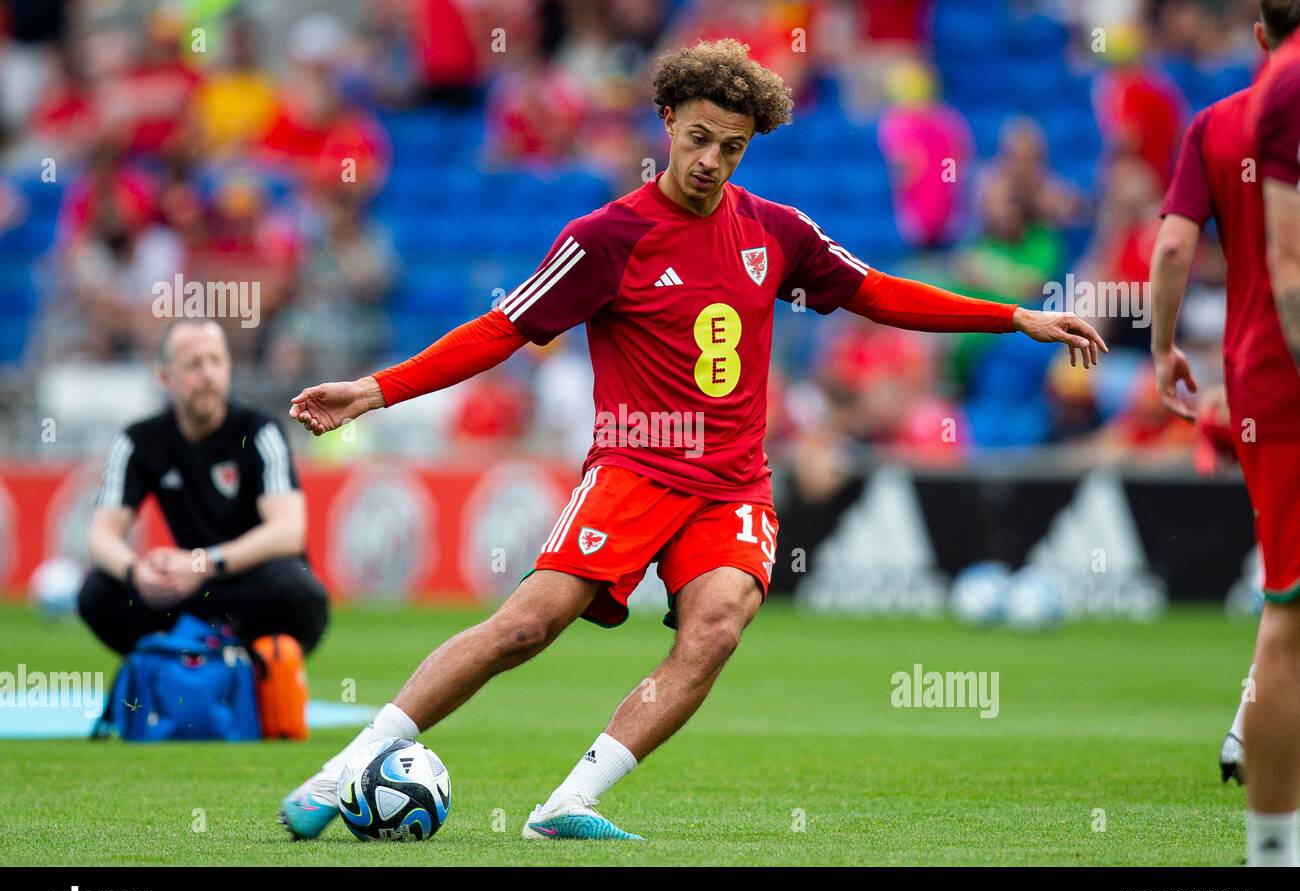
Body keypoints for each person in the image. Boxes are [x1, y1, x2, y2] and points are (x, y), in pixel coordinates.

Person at [279, 38, 1106, 842]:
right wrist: (374, 390)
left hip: (734, 483)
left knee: (716, 628)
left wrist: (1014, 317)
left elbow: (875, 291)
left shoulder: (777, 232)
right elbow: (503, 330)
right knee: (526, 627)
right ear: (668, 120)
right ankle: (342, 767)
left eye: (733, 148)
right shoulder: (605, 238)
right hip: (633, 469)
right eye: (700, 138)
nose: (712, 160)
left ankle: (567, 802)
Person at [1149, 1, 1300, 830]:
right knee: (1289, 598)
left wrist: (1164, 347)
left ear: (1258, 36)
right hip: (1287, 380)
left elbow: (1172, 249)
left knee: (1287, 589)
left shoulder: (1215, 124)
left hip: (1251, 388)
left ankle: (1253, 735)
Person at [78, 316, 329, 656]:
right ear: (165, 376)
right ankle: (172, 667)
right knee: (97, 592)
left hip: (248, 588)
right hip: (184, 592)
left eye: (216, 361)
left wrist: (201, 564)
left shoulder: (259, 431)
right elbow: (101, 537)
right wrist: (139, 573)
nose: (208, 374)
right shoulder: (138, 441)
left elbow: (288, 532)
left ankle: (255, 675)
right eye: (194, 364)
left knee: (296, 587)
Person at [1242, 2, 1300, 867]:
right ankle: (1272, 859)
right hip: (1286, 382)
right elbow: (1289, 266)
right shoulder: (1288, 86)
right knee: (1288, 614)